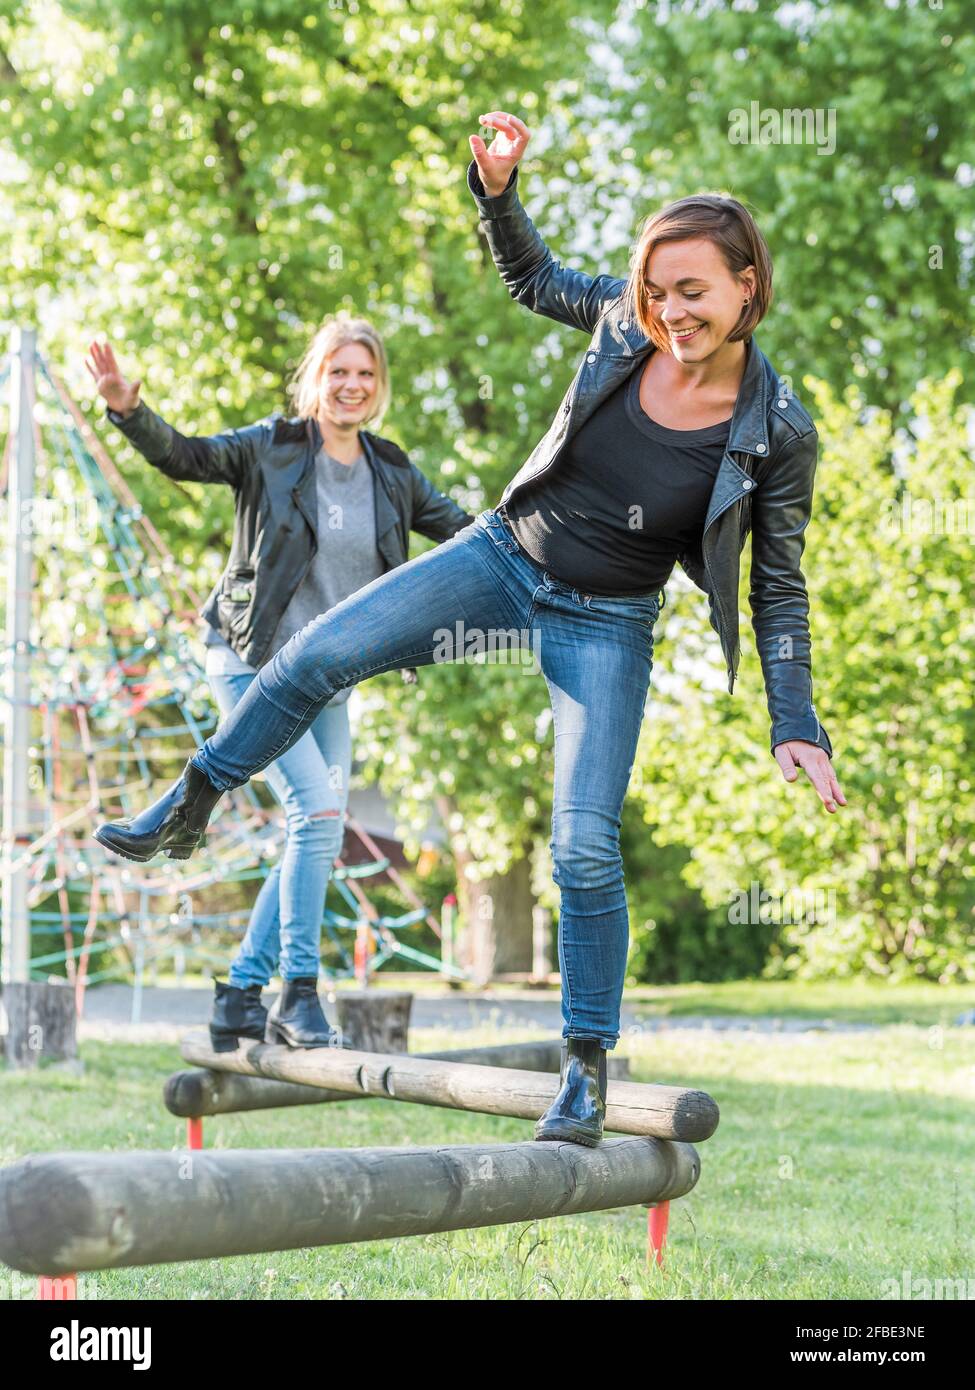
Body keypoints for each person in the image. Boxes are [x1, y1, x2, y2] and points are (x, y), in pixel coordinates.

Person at [93, 110, 846, 1146]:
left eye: (695, 293)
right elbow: (536, 279)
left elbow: (779, 587)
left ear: (748, 287)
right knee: (314, 654)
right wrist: (497, 191)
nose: (670, 312)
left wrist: (794, 716)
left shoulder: (778, 428)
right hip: (503, 557)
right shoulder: (622, 323)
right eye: (657, 290)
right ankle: (192, 798)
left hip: (609, 622)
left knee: (583, 846)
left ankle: (584, 1068)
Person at [88, 317, 473, 1051]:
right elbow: (187, 457)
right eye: (338, 372)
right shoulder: (272, 448)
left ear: (377, 384)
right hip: (250, 662)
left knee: (315, 835)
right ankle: (298, 995)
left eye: (364, 374)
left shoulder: (391, 471)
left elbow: (464, 532)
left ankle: (239, 992)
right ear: (316, 379)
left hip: (329, 681)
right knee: (320, 814)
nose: (351, 386)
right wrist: (129, 412)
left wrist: (548, 537)